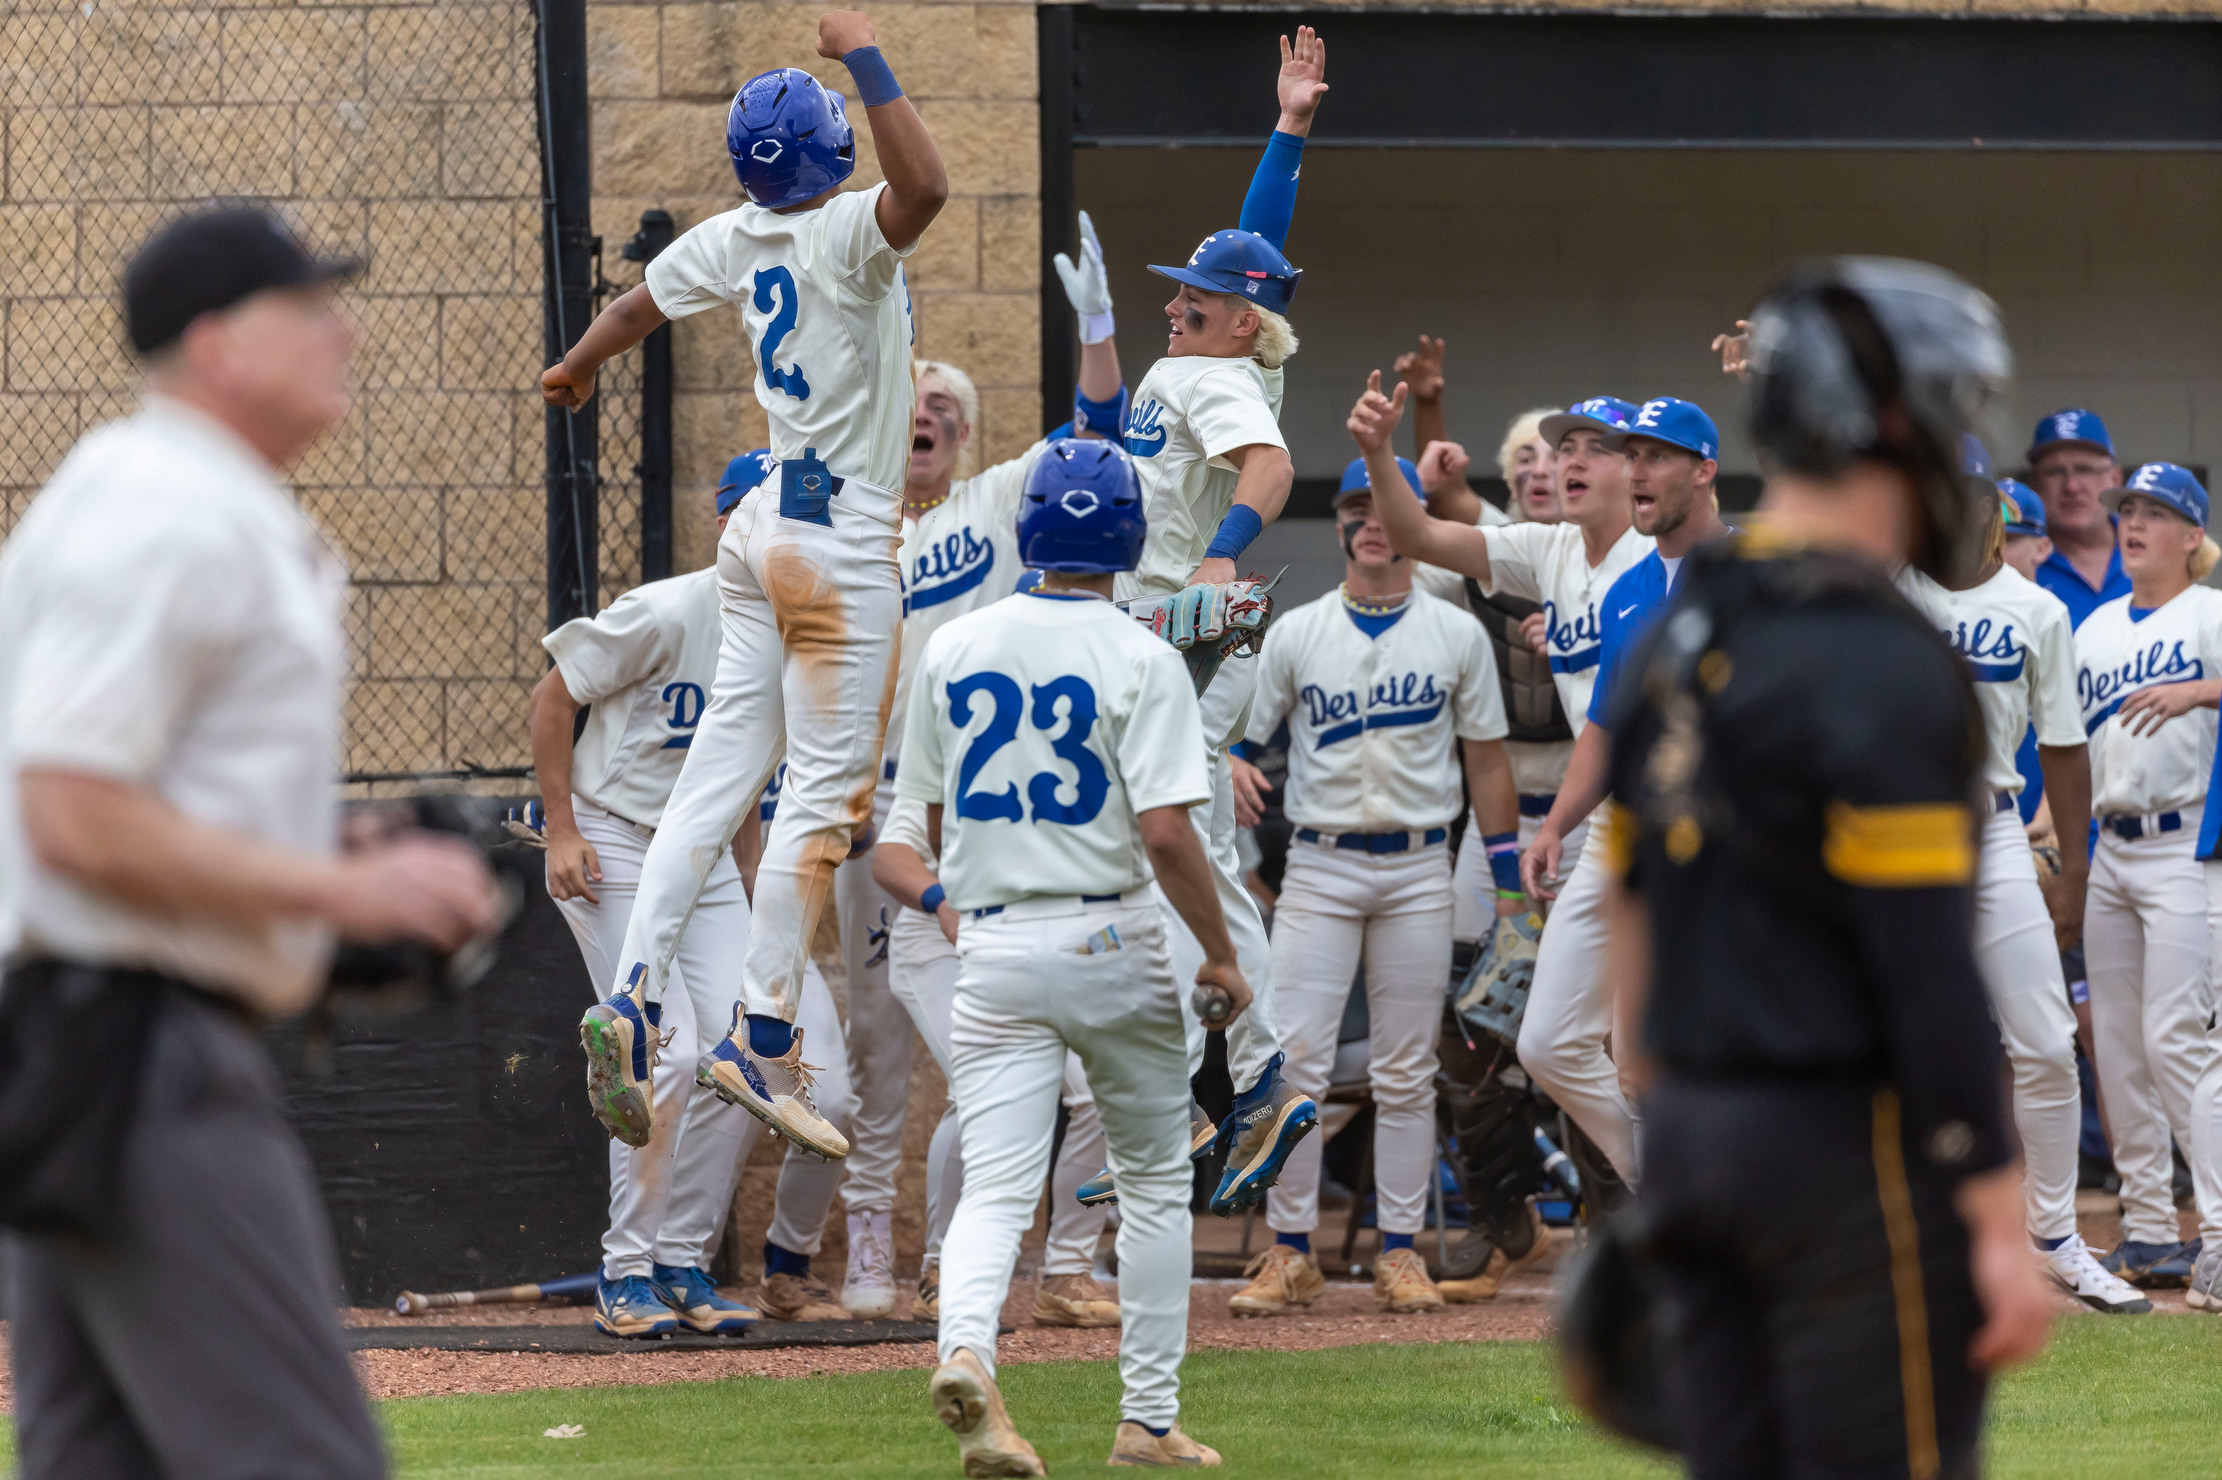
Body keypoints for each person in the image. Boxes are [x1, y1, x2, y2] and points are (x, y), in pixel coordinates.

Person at [0, 206, 498, 1479]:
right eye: (308, 306)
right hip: (142, 1063)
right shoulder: (170, 507)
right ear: (217, 344)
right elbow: (73, 811)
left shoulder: (145, 495)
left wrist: (329, 847)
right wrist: (340, 887)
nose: (345, 331)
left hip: (75, 1048)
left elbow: (107, 793)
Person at [1603, 256, 2052, 1477]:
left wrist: (1679, 1135)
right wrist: (1995, 1218)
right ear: (1891, 426)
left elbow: (1633, 915)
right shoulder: (1877, 653)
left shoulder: (1676, 629)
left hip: (1692, 1135)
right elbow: (1922, 969)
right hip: (1843, 1160)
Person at [541, 12, 947, 1156]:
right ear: (833, 152)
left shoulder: (737, 236)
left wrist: (577, 364)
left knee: (717, 775)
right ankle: (761, 1035)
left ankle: (631, 1000)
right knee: (820, 798)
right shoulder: (845, 235)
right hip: (837, 535)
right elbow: (924, 186)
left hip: (762, 518)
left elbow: (638, 306)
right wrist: (864, 52)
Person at [904, 441, 1240, 1471]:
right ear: (1129, 535)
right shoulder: (1142, 653)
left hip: (992, 941)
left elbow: (927, 821)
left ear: (1029, 530)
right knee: (1152, 1181)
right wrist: (1221, 954)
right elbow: (1170, 835)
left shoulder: (954, 645)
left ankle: (968, 1349)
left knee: (997, 1185)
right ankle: (1147, 1420)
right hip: (1108, 932)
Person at [835, 212, 1130, 1318]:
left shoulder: (993, 502)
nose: (929, 417)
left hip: (994, 816)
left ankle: (1029, 1266)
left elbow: (1095, 434)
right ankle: (892, 1250)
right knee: (885, 1055)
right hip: (885, 815)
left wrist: (1095, 329)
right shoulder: (851, 527)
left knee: (1022, 1075)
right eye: (913, 405)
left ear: (964, 438)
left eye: (946, 411)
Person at [530, 453, 863, 1332]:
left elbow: (738, 775)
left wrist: (751, 880)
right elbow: (553, 698)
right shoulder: (670, 609)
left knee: (737, 1061)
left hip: (703, 855)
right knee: (665, 1053)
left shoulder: (796, 631)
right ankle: (624, 1273)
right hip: (610, 834)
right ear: (729, 527)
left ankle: (680, 1260)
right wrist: (560, 827)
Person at [1106, 26, 1331, 1215]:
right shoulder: (1236, 353)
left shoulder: (1215, 373)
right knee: (1143, 851)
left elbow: (1270, 466)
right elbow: (1258, 260)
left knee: (1171, 841)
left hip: (1180, 621)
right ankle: (1198, 1091)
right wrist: (1286, 130)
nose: (1175, 303)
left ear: (1236, 322)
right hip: (1181, 625)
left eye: (1194, 298)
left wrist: (1218, 554)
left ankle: (1254, 1072)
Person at [1227, 454, 1522, 1319]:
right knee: (1295, 1061)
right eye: (1352, 507)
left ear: (1408, 521)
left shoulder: (1454, 632)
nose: (1366, 521)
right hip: (1320, 864)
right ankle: (1290, 1252)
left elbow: (1488, 761)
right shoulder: (1300, 630)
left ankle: (1399, 1250)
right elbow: (1239, 732)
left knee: (1405, 1070)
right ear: (1340, 525)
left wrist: (1509, 883)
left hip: (1420, 865)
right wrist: (1232, 761)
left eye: (1380, 506)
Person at [1363, 385, 1654, 1190]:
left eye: (1592, 448)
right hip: (1591, 819)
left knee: (1644, 1050)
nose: (1569, 462)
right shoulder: (1546, 549)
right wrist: (1379, 453)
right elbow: (1417, 532)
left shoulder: (1663, 558)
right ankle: (1657, 1189)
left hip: (1669, 819)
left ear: (1636, 468)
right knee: (1548, 1044)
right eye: (1563, 449)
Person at [1898, 492, 2147, 1313]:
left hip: (1994, 830)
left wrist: (2074, 873)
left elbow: (2064, 747)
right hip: (1894, 838)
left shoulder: (2037, 609)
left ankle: (2054, 1238)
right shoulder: (1888, 588)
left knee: (2044, 1041)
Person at [871, 794, 1130, 1329]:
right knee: (979, 1089)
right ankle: (941, 1271)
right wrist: (942, 901)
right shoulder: (952, 745)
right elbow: (889, 859)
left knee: (1100, 1090)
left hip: (1033, 938)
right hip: (940, 937)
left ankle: (1067, 1273)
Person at [2073, 461, 2222, 1291]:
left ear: (2193, 534)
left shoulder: (2210, 612)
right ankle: (2152, 1230)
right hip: (2111, 848)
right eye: (2127, 509)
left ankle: (2221, 1230)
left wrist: (2200, 691)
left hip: (2184, 843)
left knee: (2176, 1041)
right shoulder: (2095, 627)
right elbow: (2066, 741)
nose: (2133, 522)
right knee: (2119, 1048)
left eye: (2155, 512)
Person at [2027, 409, 2131, 627]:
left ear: (2115, 478)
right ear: (2035, 485)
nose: (2071, 486)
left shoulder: (2151, 551)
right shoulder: (2019, 562)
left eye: (2085, 470)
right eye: (2055, 472)